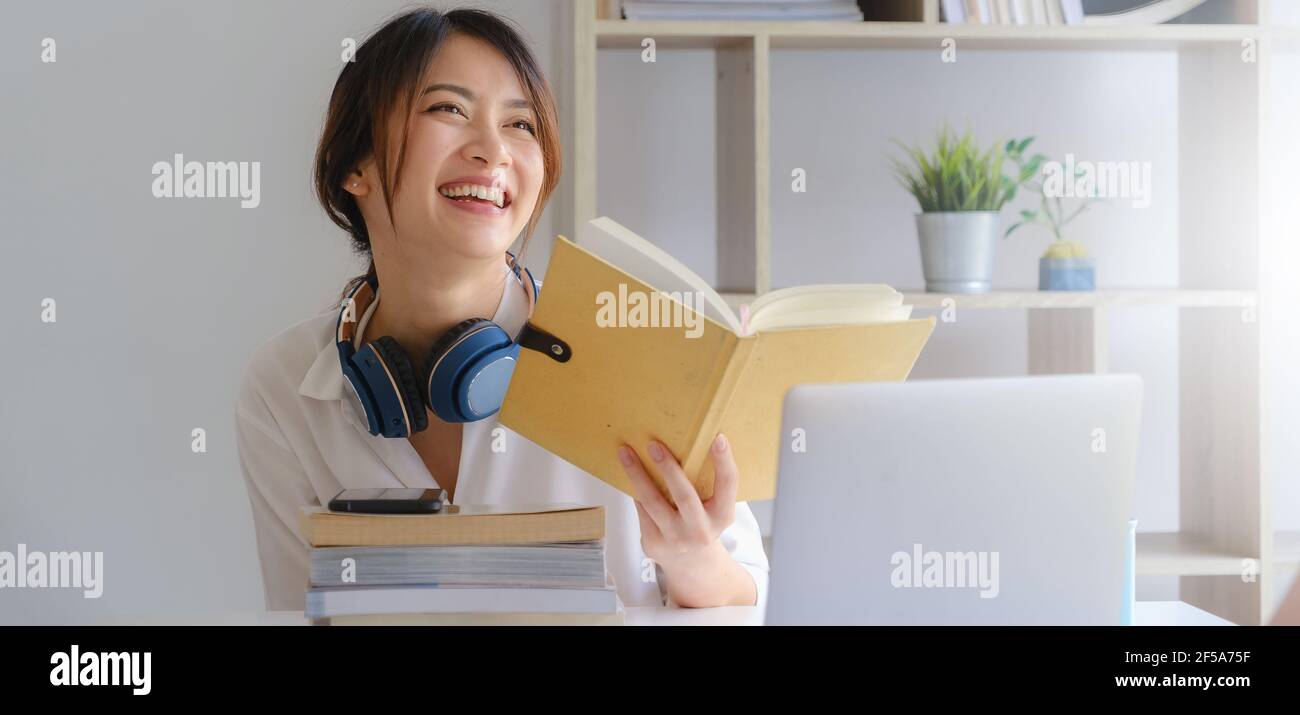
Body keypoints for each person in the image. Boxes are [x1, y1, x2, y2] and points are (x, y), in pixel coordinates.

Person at [234, 6, 768, 612]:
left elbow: (751, 597)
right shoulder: (283, 388)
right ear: (357, 164)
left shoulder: (632, 344)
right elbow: (298, 616)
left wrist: (694, 560)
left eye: (521, 125)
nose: (494, 151)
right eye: (448, 110)